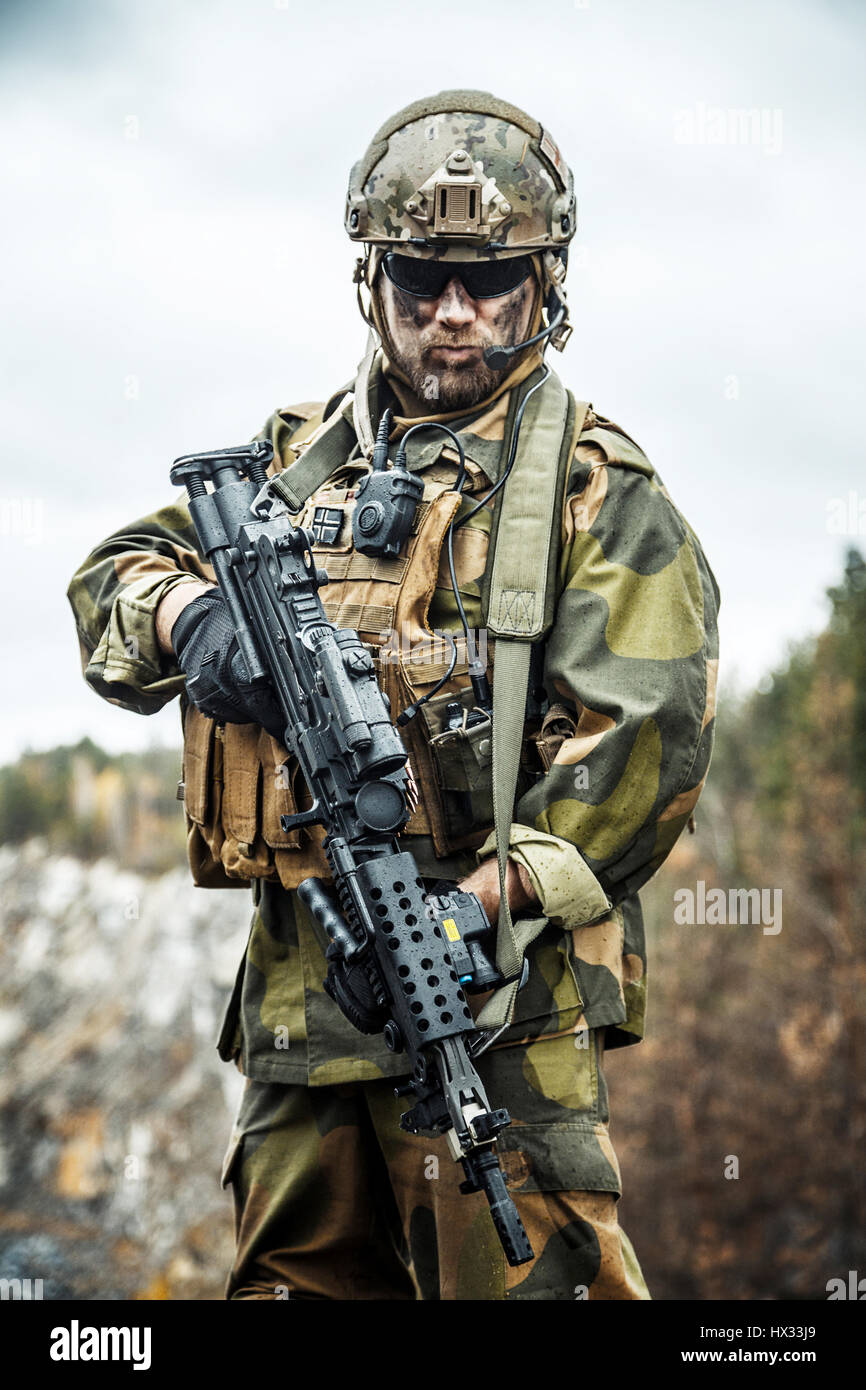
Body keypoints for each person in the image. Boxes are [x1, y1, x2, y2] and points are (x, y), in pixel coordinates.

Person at [68, 89, 719, 1301]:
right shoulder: (290, 463)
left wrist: (483, 901)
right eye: (420, 281)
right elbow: (111, 578)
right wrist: (194, 617)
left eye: (491, 281)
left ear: (547, 286)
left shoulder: (594, 493)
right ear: (370, 282)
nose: (454, 314)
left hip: (492, 1014)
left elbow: (644, 749)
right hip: (304, 1028)